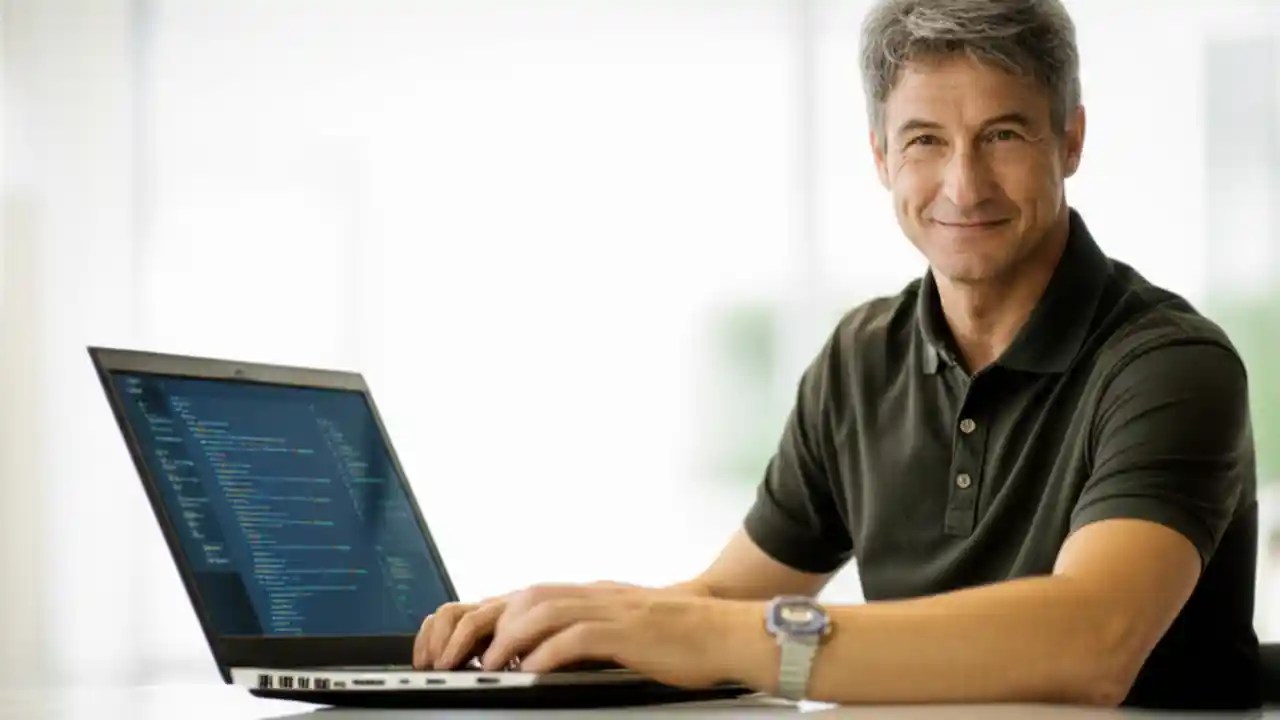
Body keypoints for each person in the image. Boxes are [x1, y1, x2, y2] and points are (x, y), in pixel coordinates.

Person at [411, 0, 1260, 709]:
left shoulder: (1171, 365)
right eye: (926, 140)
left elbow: (1092, 640)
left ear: (1069, 140)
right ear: (882, 156)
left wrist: (707, 634)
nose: (964, 186)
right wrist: (540, 626)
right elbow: (724, 601)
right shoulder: (861, 359)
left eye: (1003, 135)